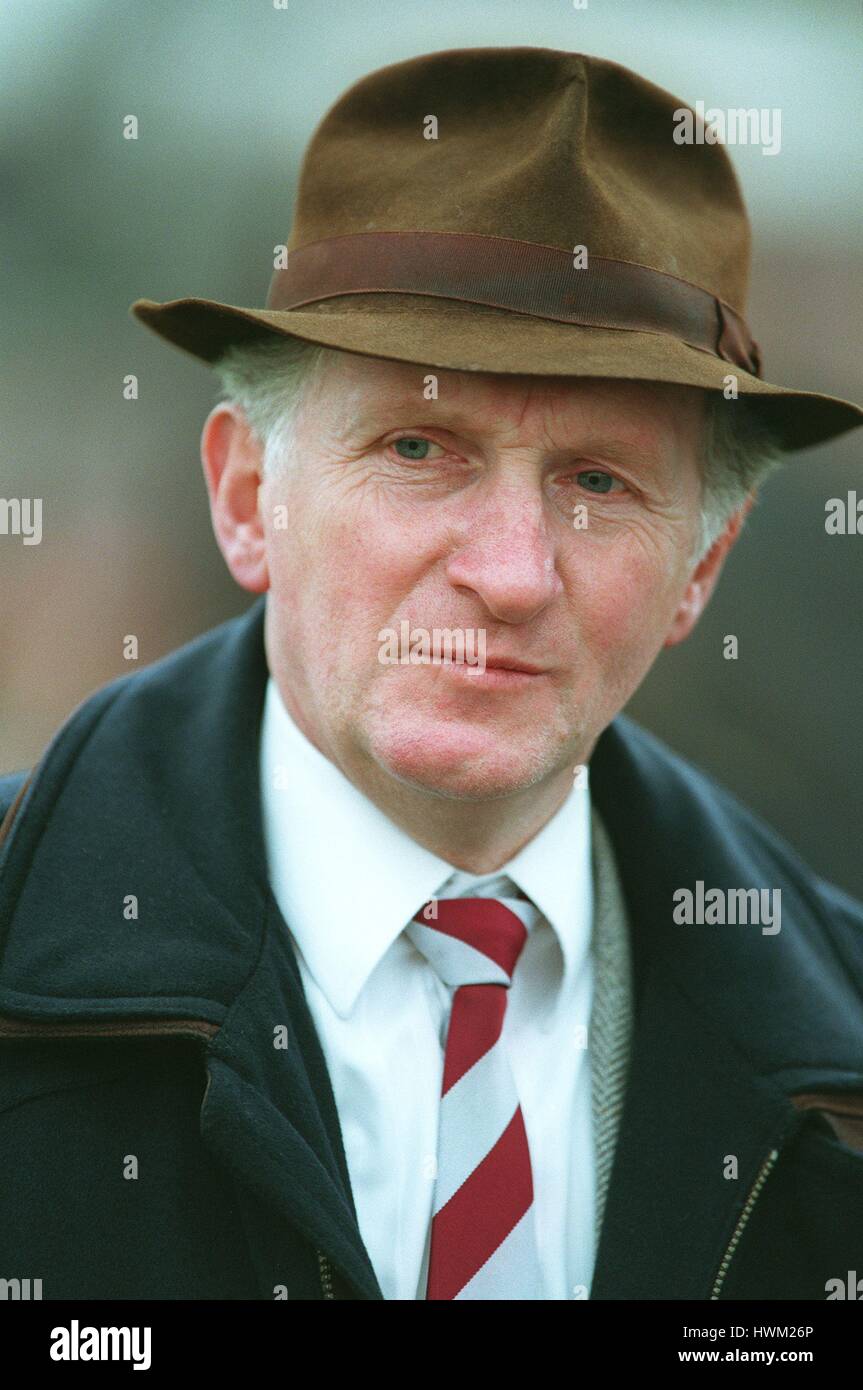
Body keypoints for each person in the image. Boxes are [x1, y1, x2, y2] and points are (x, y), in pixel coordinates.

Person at [1, 46, 861, 1302]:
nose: (510, 573)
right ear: (248, 499)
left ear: (700, 568)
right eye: (418, 445)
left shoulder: (836, 1056)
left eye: (598, 482)